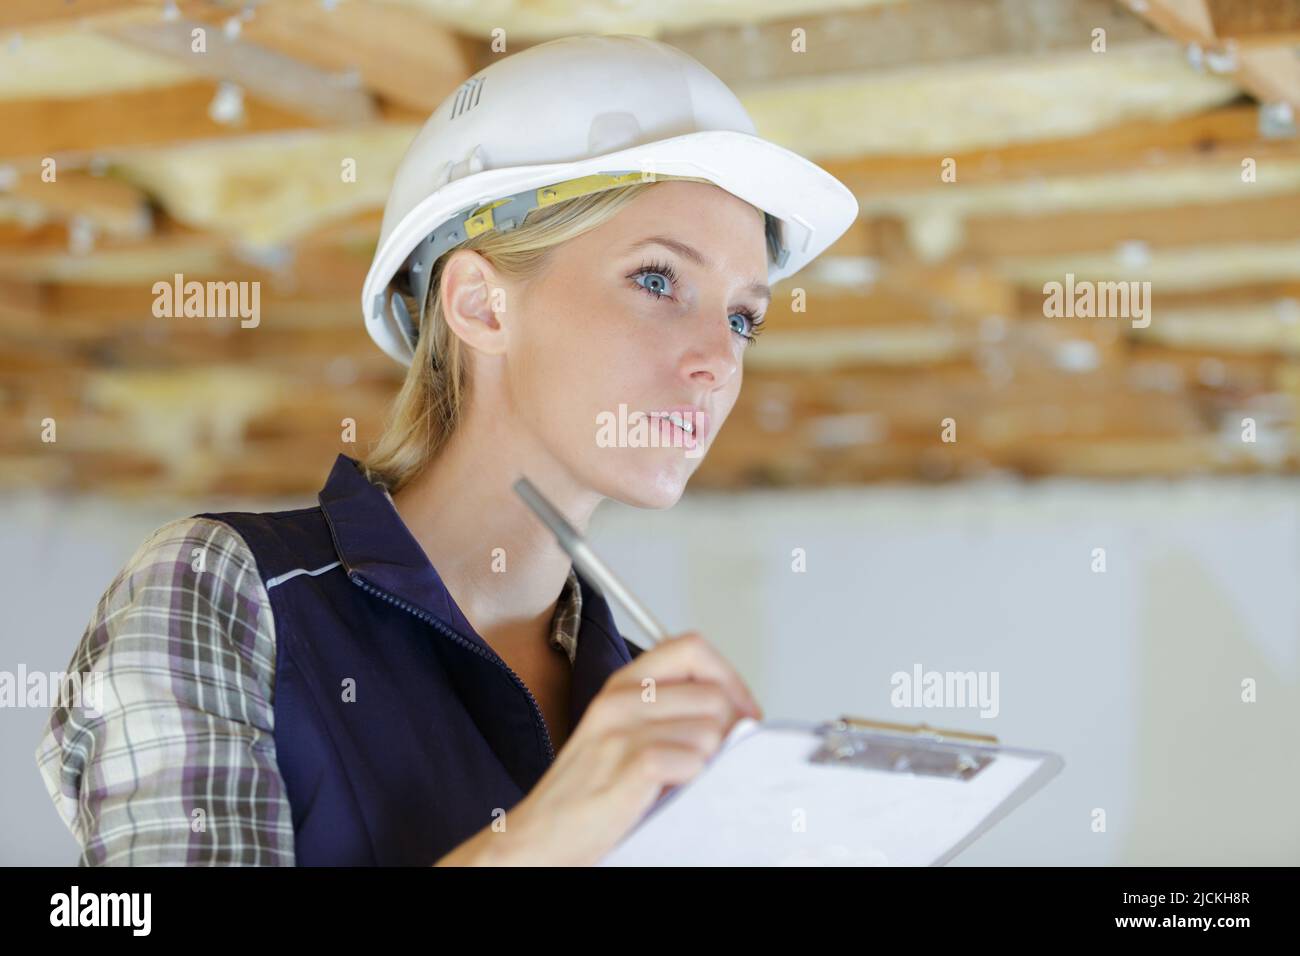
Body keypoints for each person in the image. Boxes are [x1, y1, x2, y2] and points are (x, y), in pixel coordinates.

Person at [34, 33, 858, 866]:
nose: (718, 361)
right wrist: (548, 834)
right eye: (656, 279)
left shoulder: (644, 703)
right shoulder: (227, 591)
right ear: (480, 305)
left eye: (743, 317)